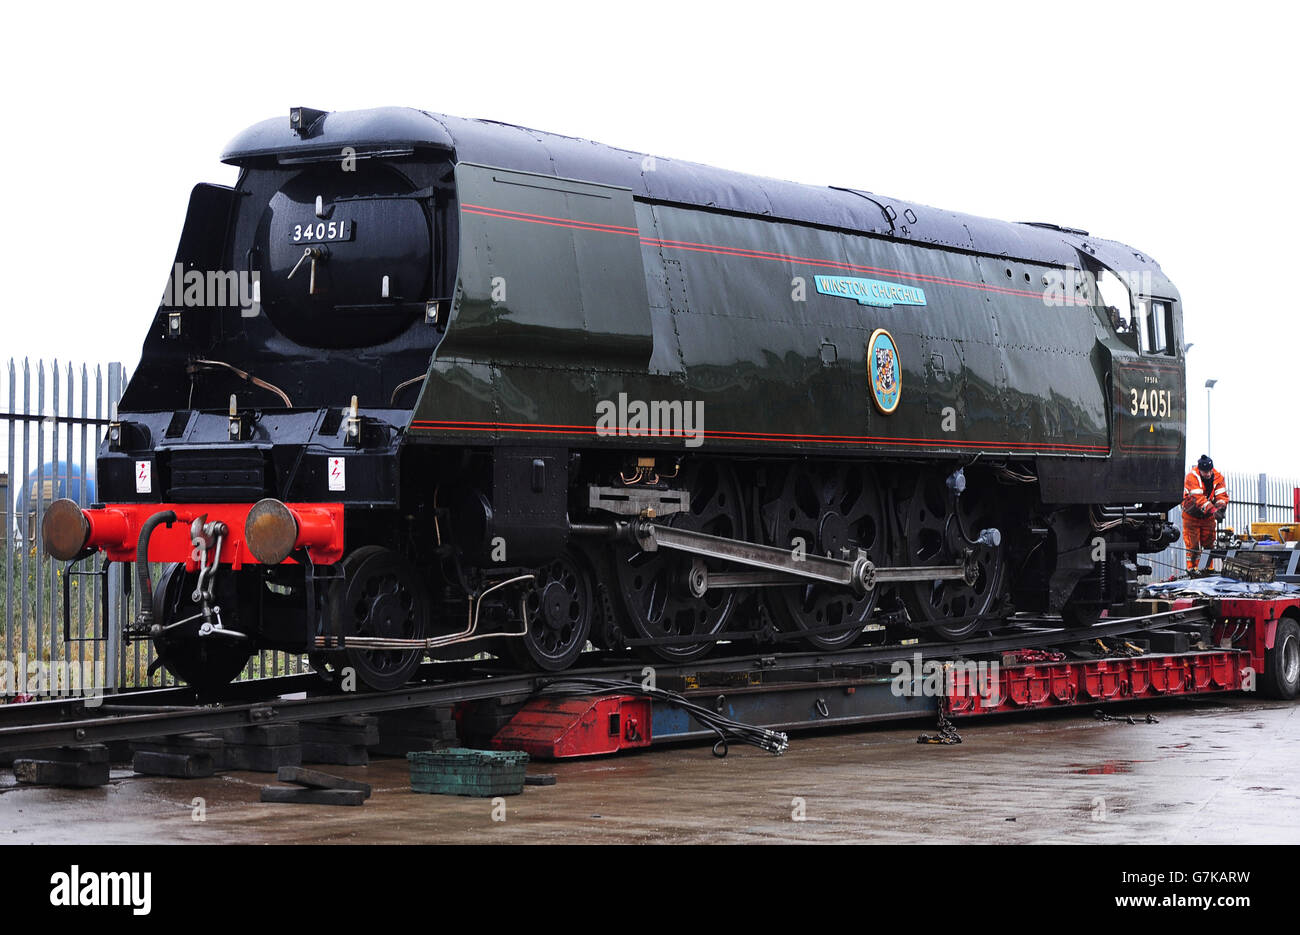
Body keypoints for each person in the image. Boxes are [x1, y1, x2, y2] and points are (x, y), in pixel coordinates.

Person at [1182, 454, 1228, 573]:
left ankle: (1208, 568)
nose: (1207, 474)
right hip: (1191, 516)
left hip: (1207, 516)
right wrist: (1214, 511)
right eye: (1204, 472)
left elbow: (1221, 496)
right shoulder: (1191, 477)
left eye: (1209, 471)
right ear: (1199, 470)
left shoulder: (1218, 478)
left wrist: (1221, 507)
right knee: (1193, 546)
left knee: (1209, 543)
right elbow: (1198, 499)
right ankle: (1193, 569)